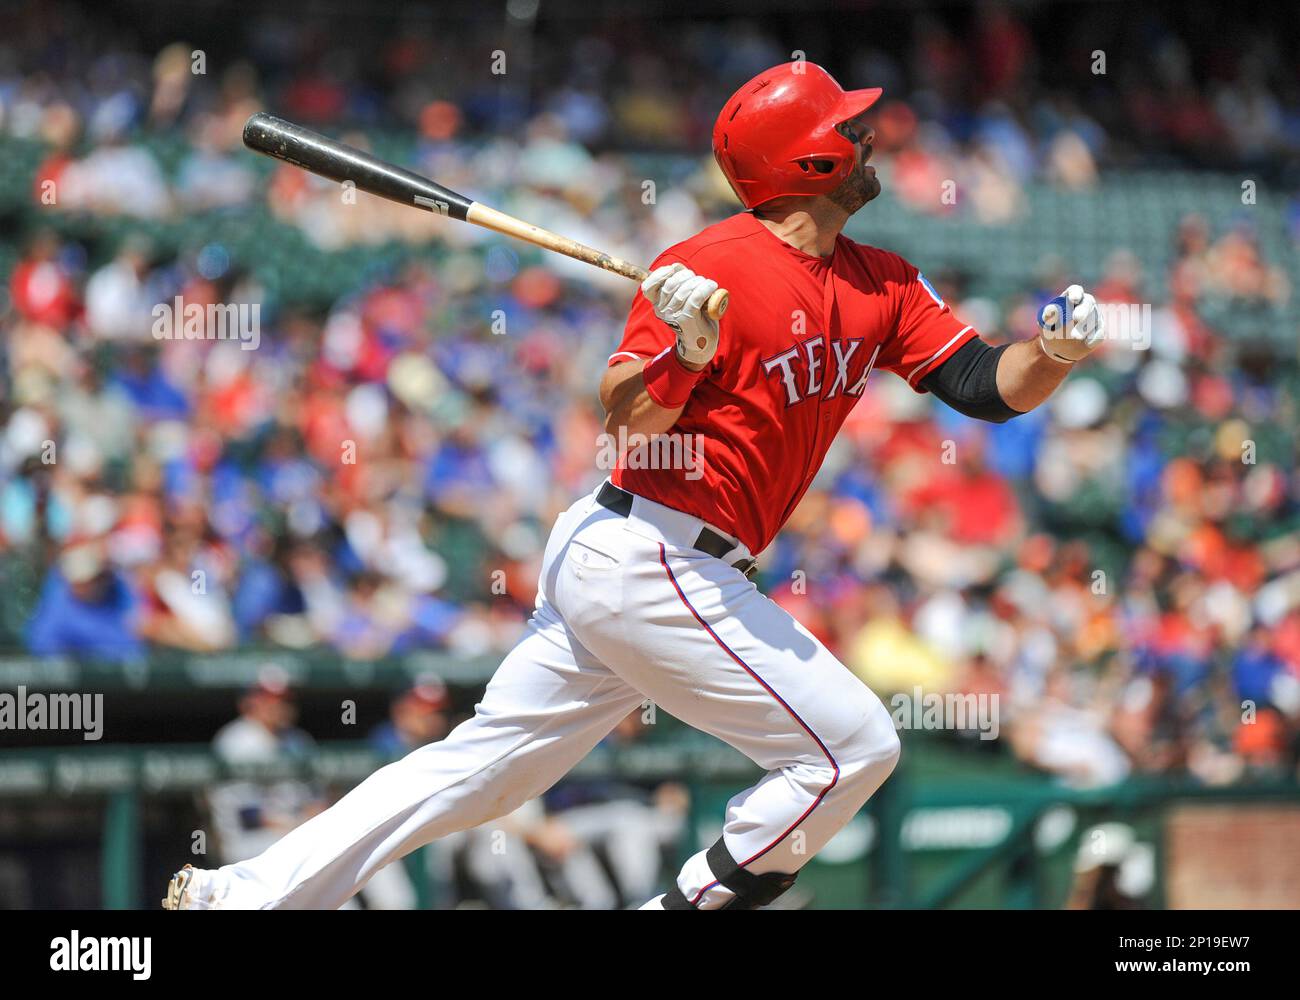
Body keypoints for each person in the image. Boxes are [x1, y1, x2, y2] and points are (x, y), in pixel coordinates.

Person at [164, 61, 1105, 911]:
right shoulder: (708, 267)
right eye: (849, 130)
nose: (869, 139)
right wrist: (685, 353)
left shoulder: (881, 279)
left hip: (649, 563)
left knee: (481, 774)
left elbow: (985, 386)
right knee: (855, 746)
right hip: (652, 552)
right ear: (810, 159)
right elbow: (625, 417)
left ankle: (241, 898)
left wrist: (1053, 353)